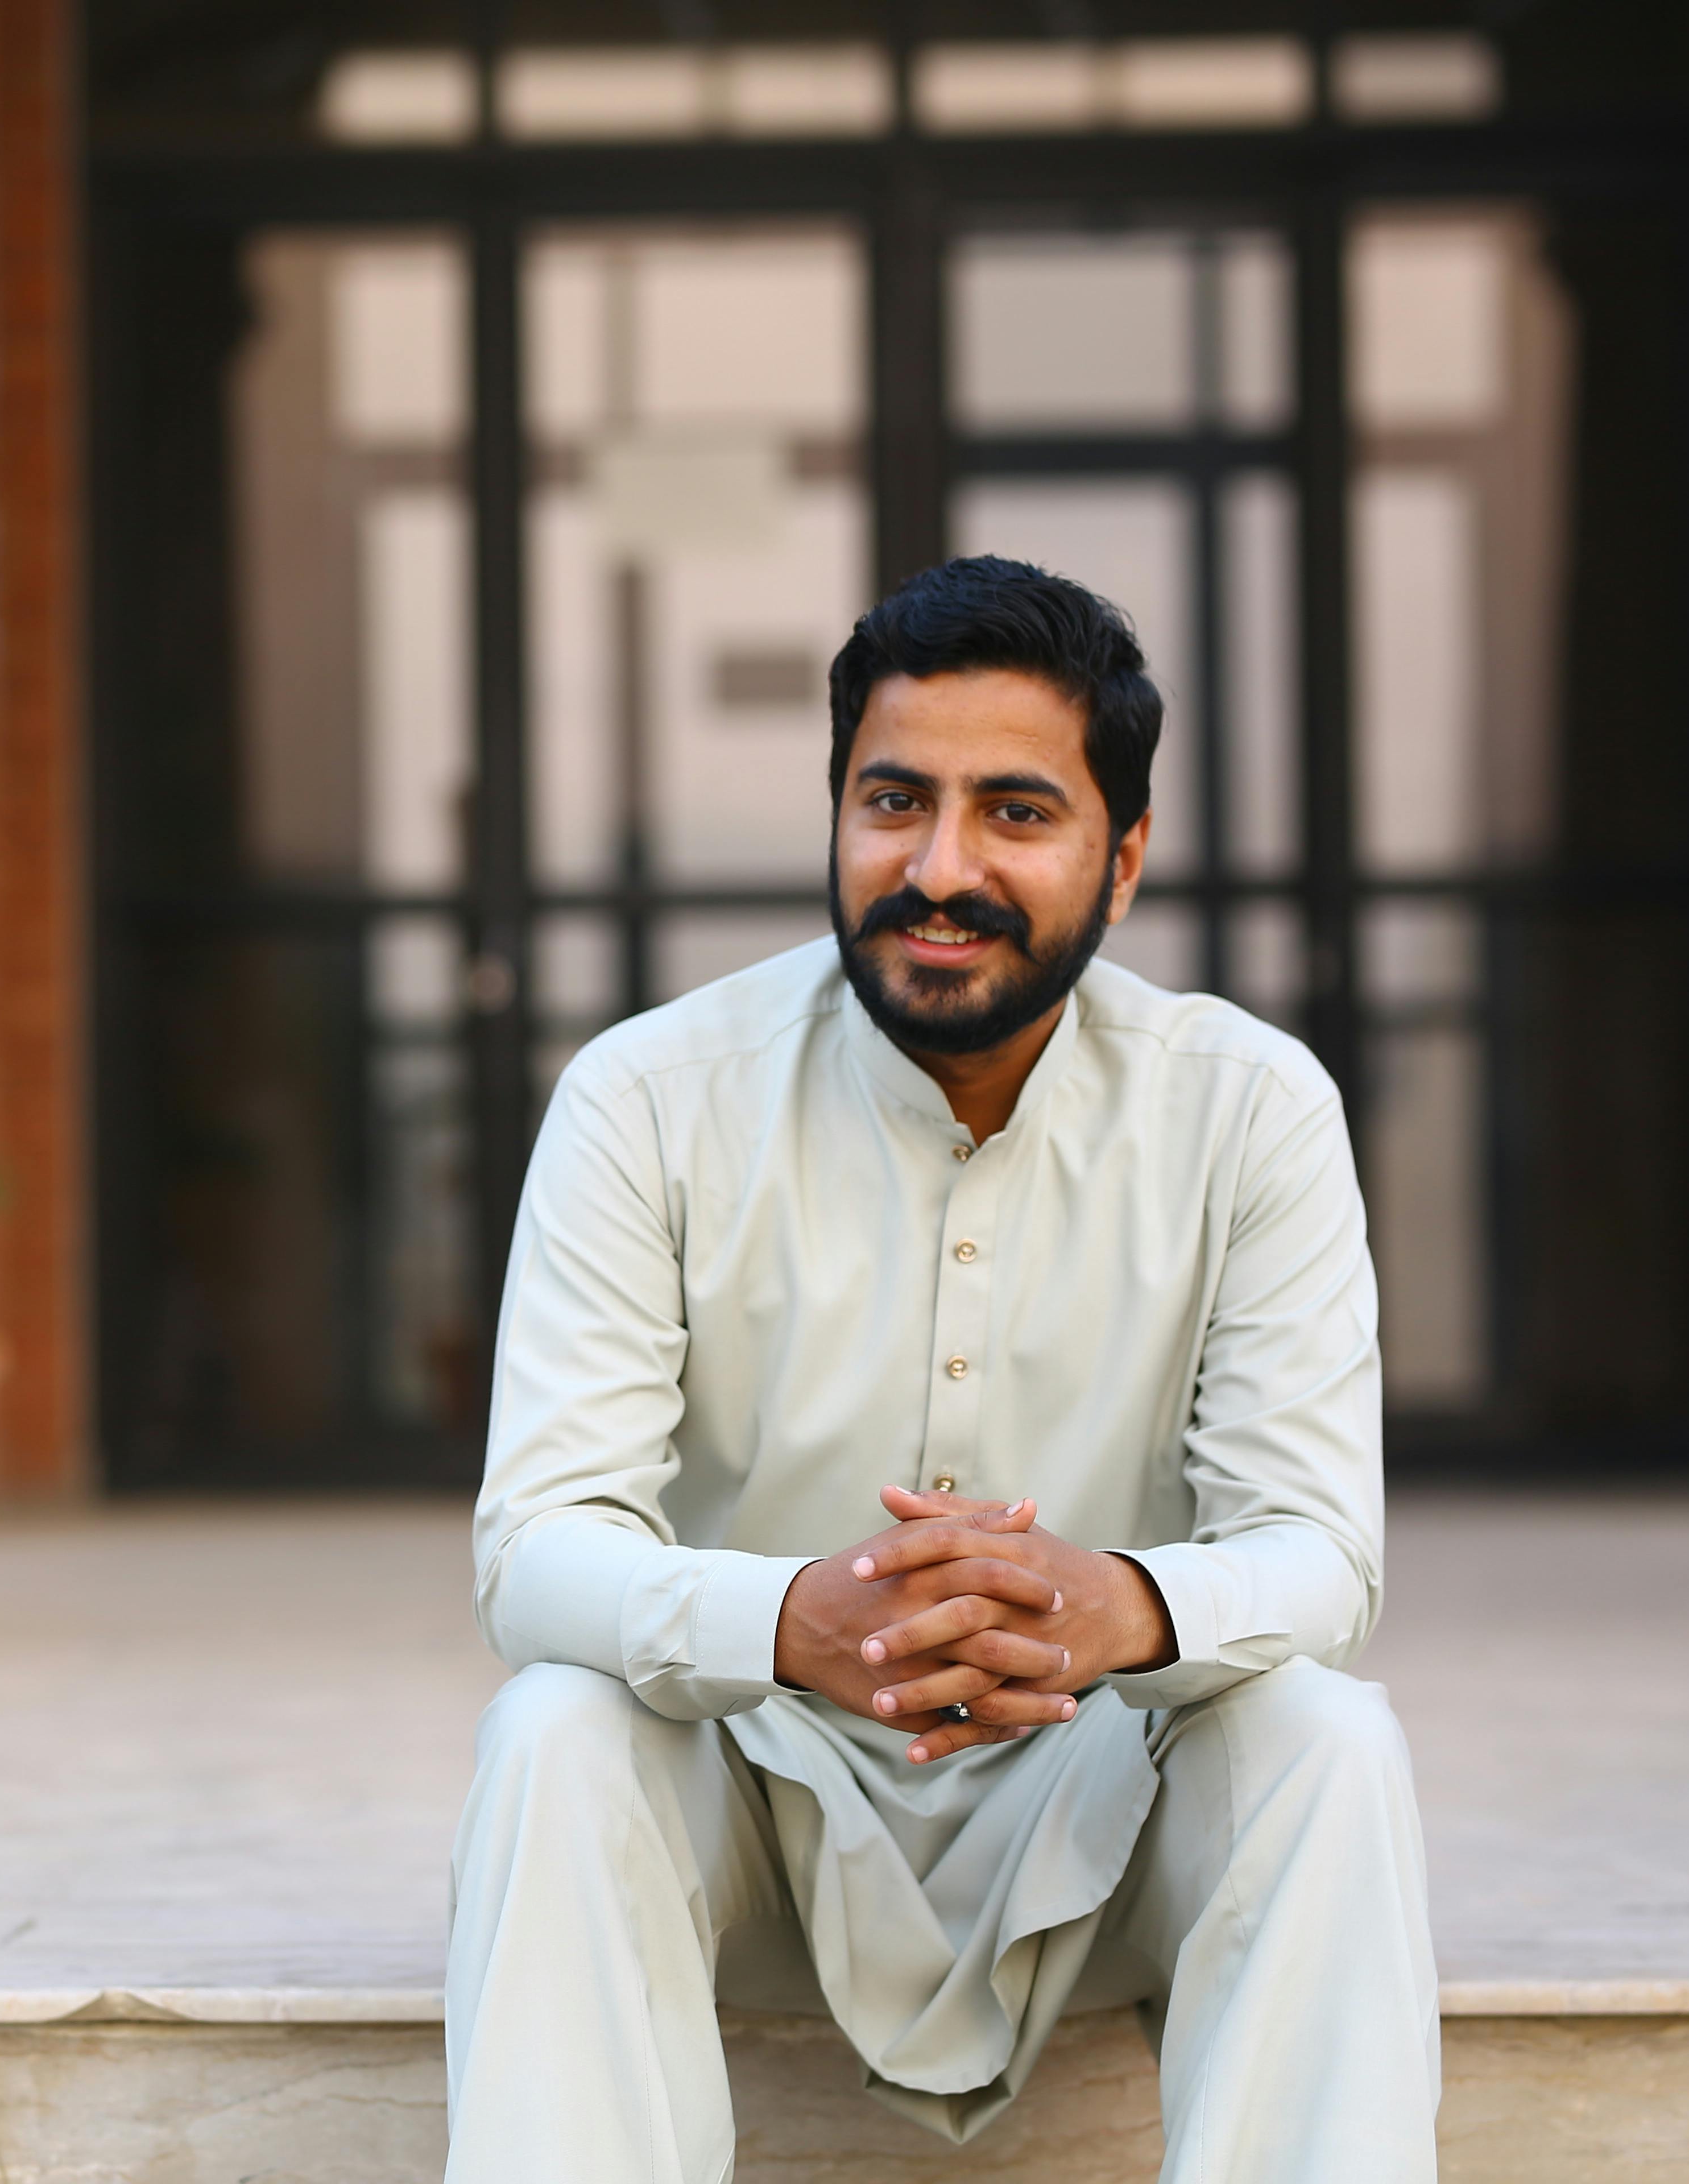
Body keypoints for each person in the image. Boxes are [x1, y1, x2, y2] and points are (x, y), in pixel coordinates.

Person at [445, 556, 1438, 2183]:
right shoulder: (649, 1100)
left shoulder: (1251, 1110)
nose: (941, 866)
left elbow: (1320, 1551)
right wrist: (787, 1622)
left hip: (1107, 1808)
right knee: (557, 1728)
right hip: (758, 1800)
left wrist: (1120, 1605)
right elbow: (535, 1548)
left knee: (1325, 1743)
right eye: (894, 800)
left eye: (1017, 814)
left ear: (1122, 865)